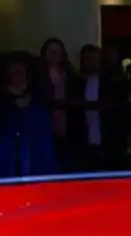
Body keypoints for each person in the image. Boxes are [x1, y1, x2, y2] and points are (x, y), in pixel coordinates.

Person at [0, 53, 58, 178]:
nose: (16, 79)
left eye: (20, 73)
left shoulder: (39, 111)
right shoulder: (0, 109)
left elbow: (46, 154)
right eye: (12, 74)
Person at [66, 44, 126, 170]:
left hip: (108, 141)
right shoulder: (75, 83)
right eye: (88, 59)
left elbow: (118, 110)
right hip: (81, 142)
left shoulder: (111, 83)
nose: (91, 62)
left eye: (94, 58)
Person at [40, 38, 72, 168]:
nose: (56, 56)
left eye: (59, 53)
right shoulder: (38, 74)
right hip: (44, 120)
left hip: (65, 121)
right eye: (52, 52)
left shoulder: (68, 74)